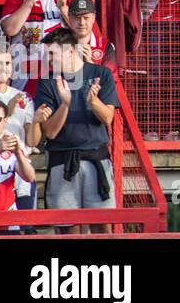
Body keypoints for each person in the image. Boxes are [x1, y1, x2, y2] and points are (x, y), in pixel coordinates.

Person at [31, 28, 117, 232]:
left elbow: (107, 118)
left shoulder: (100, 73)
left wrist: (94, 101)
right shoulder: (47, 82)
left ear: (70, 51)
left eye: (52, 54)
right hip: (62, 161)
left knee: (102, 229)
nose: (49, 60)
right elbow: (50, 132)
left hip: (97, 160)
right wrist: (65, 104)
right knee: (68, 230)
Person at [0, 97, 34, 226]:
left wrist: (19, 153)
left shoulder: (11, 143)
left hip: (7, 219)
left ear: (5, 121)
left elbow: (29, 177)